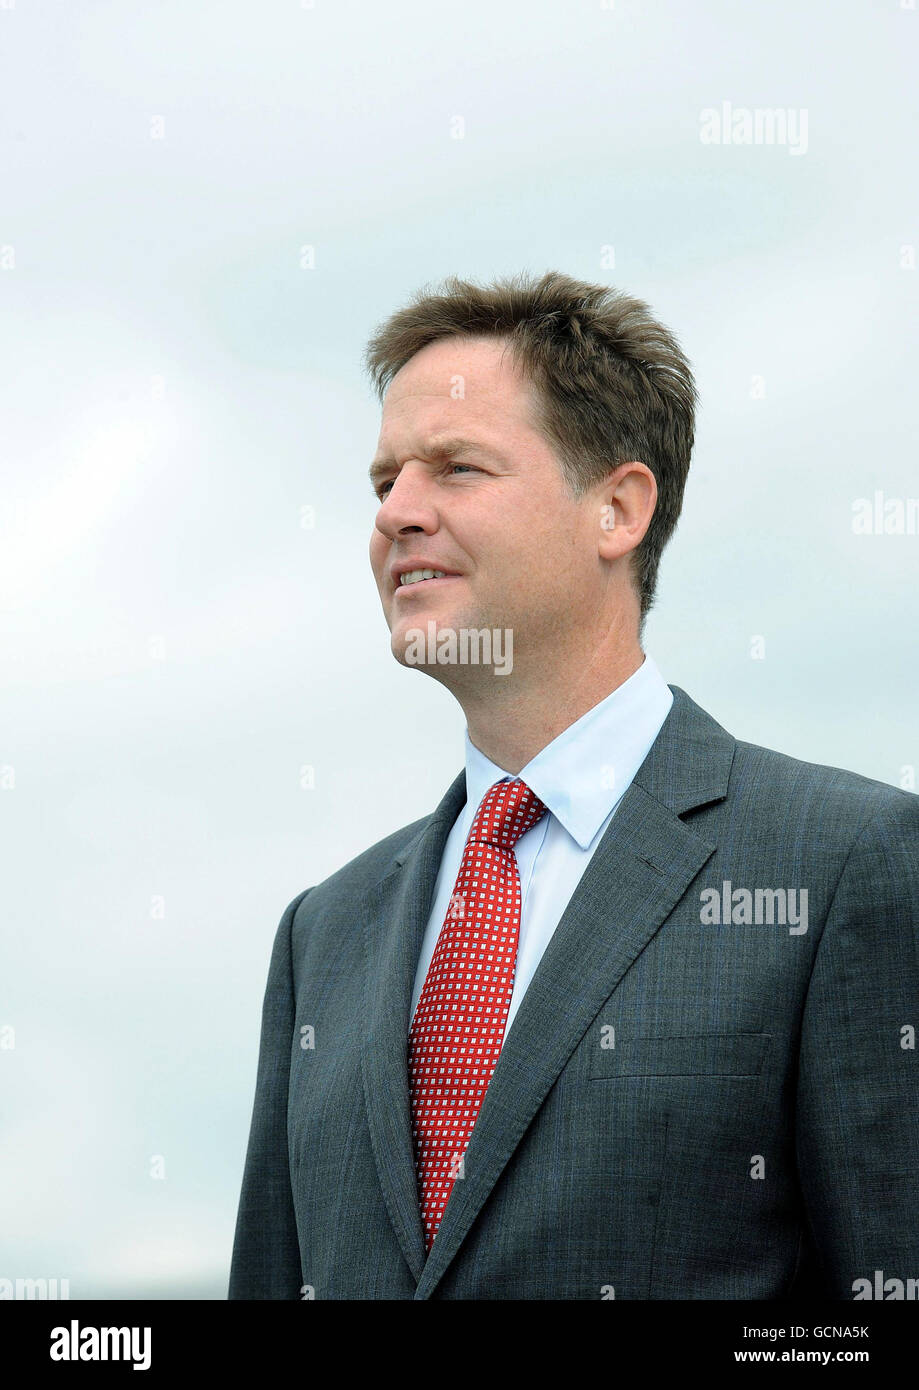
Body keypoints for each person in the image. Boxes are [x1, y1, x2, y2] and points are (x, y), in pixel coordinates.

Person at [228, 270, 918, 1300]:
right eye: (383, 483)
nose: (397, 513)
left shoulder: (845, 863)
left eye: (456, 468)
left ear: (616, 509)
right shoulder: (322, 932)